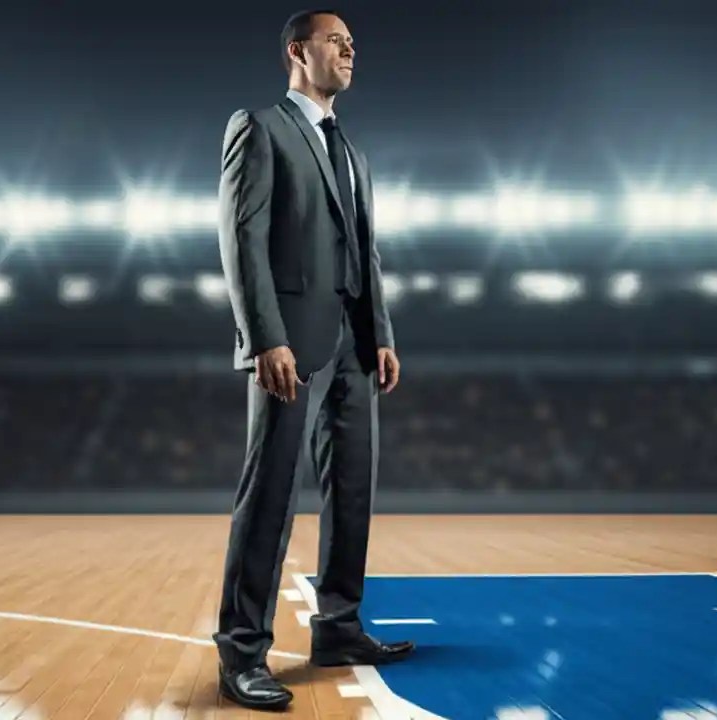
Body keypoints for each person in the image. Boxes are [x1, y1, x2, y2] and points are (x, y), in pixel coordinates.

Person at [212, 8, 412, 712]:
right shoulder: (260, 127)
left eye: (354, 41)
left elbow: (368, 251)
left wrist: (380, 332)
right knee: (270, 495)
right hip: (290, 345)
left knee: (352, 492)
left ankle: (338, 627)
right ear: (298, 51)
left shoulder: (352, 151)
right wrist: (263, 337)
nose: (351, 50)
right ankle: (241, 653)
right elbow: (242, 240)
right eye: (337, 40)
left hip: (354, 347)